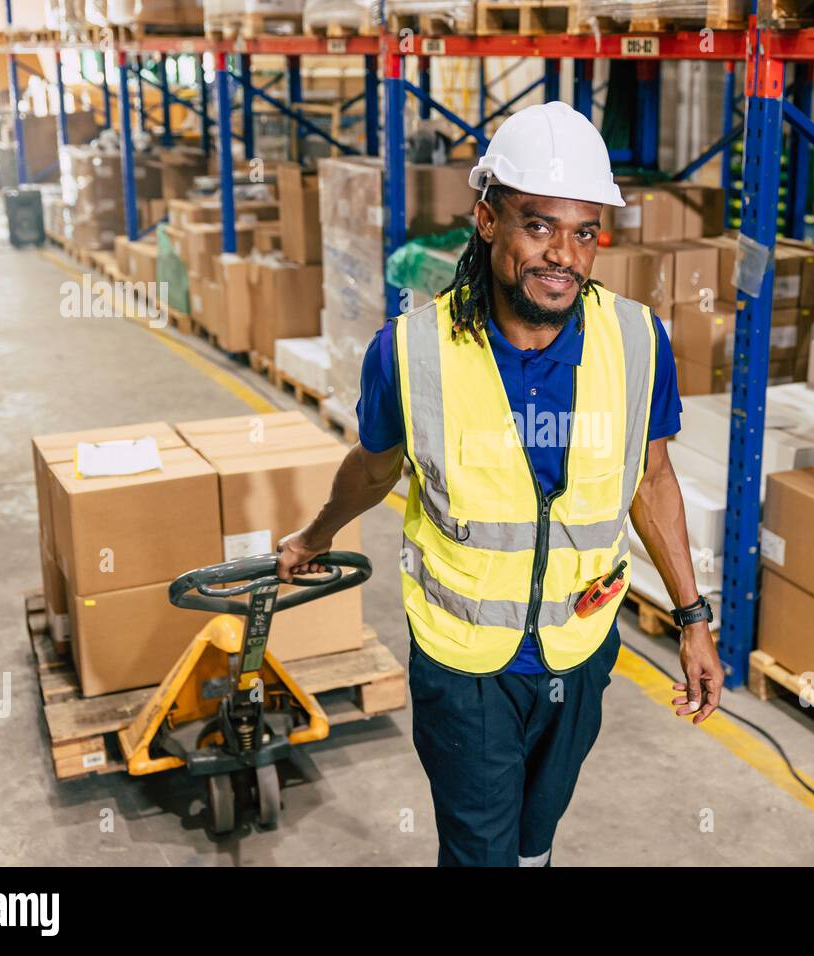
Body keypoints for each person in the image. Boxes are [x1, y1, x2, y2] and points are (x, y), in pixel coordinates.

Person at [278, 101, 724, 866]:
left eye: (584, 232)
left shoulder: (639, 340)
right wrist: (315, 535)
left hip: (580, 652)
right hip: (465, 666)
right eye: (539, 225)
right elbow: (375, 468)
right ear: (487, 220)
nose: (564, 255)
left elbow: (651, 478)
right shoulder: (409, 353)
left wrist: (692, 617)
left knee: (532, 842)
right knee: (481, 852)